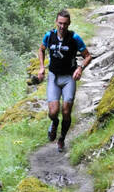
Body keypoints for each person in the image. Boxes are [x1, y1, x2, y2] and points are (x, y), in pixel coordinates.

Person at [37, 10, 92, 151]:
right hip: (54, 77)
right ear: (56, 22)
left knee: (66, 111)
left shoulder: (75, 38)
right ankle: (54, 123)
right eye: (60, 23)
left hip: (69, 78)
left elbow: (87, 56)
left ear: (69, 24)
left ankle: (61, 139)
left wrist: (80, 69)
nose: (62, 26)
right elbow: (41, 49)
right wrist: (42, 67)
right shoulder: (49, 36)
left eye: (65, 24)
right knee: (53, 111)